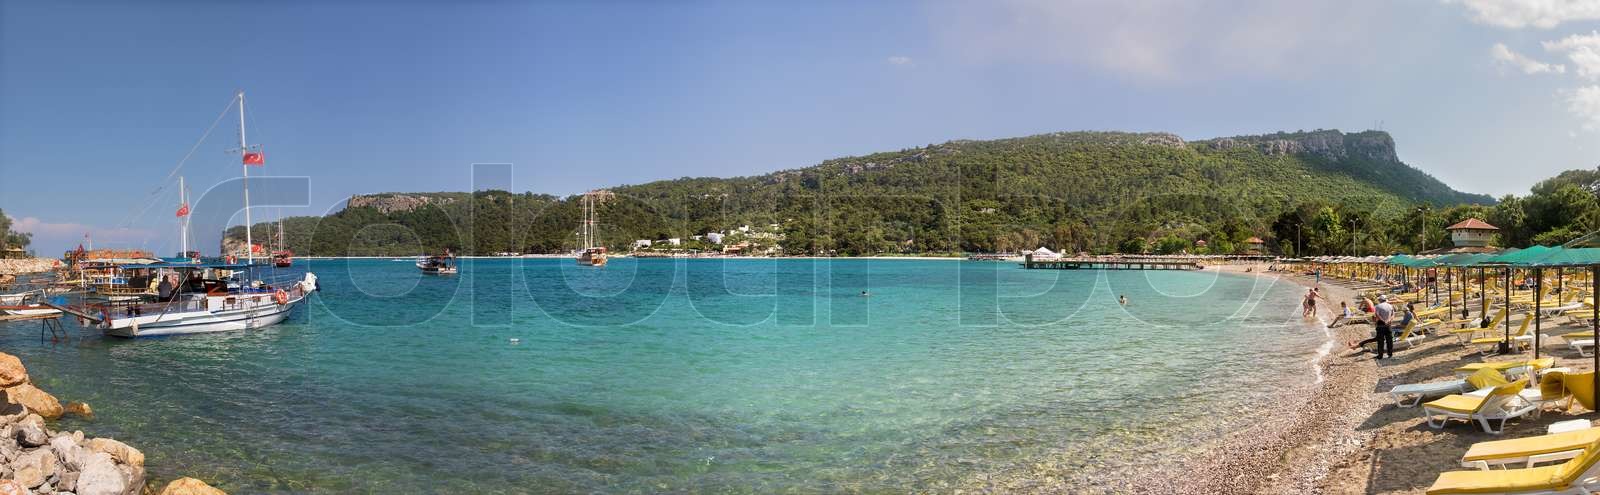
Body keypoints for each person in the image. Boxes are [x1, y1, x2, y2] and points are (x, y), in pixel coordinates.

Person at [1372, 295, 1396, 360]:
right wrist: (1389, 320)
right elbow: (1393, 314)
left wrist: (1383, 320)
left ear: (1380, 300)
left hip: (1381, 325)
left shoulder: (1378, 306)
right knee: (1389, 340)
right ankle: (1390, 354)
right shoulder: (1390, 306)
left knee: (1380, 341)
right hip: (1388, 324)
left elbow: (1377, 315)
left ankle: (1380, 355)